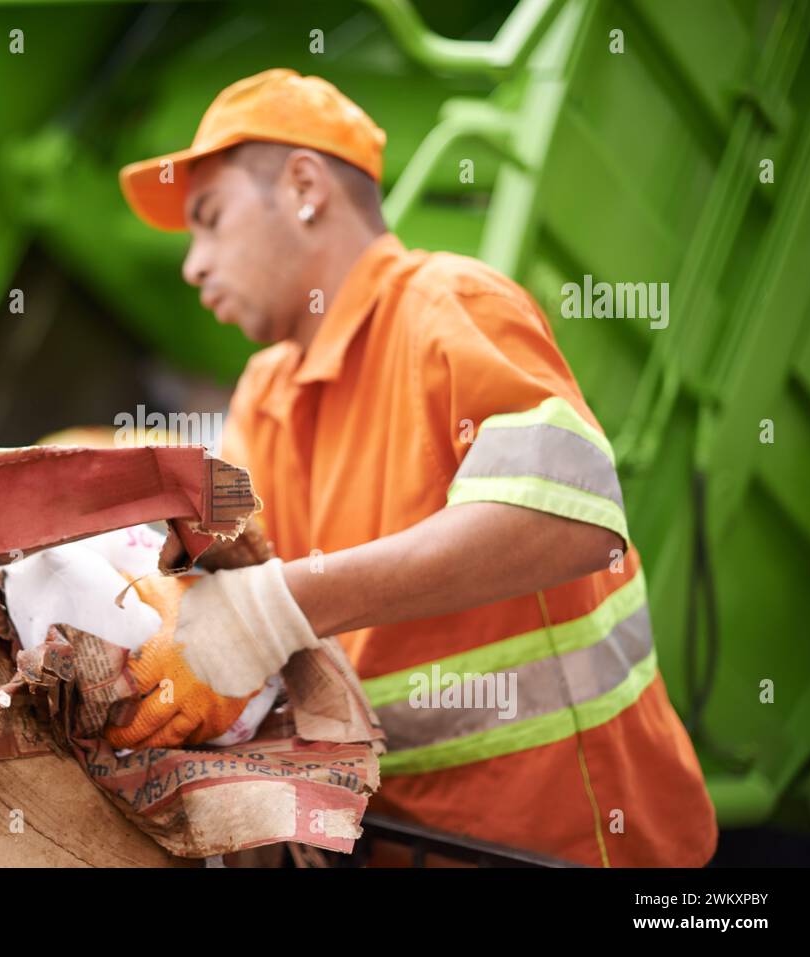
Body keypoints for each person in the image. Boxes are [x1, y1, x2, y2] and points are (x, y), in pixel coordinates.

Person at [107, 68, 717, 867]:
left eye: (210, 220)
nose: (192, 265)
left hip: (584, 844)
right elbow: (243, 570)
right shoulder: (266, 392)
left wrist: (267, 610)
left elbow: (569, 520)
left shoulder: (448, 305)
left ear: (303, 187)